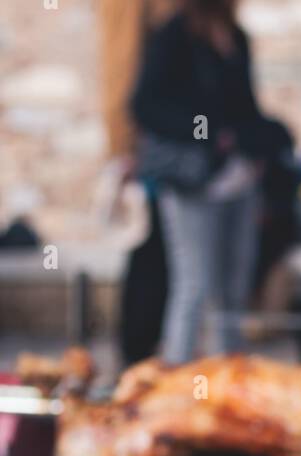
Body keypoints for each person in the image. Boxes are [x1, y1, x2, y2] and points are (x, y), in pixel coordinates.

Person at [131, 0, 280, 363]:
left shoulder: (236, 36)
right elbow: (145, 105)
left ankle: (230, 383)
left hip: (238, 180)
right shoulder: (174, 35)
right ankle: (177, 381)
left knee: (233, 289)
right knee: (194, 285)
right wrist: (206, 134)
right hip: (192, 182)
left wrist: (263, 139)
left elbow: (244, 105)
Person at [96, 0, 178, 364]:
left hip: (170, 149)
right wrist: (123, 144)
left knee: (165, 260)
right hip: (152, 152)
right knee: (150, 256)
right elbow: (123, 64)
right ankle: (138, 361)